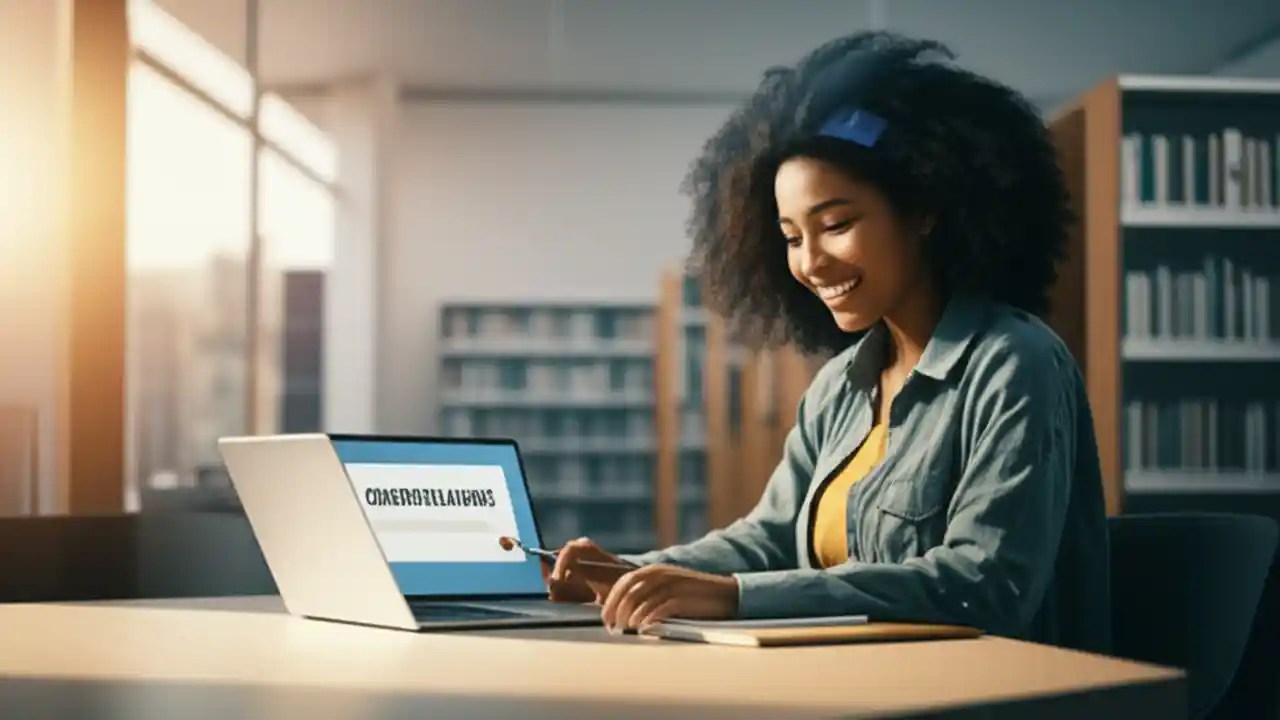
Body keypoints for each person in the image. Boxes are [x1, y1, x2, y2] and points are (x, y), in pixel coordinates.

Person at [547, 31, 1110, 654]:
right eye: (790, 237)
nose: (811, 263)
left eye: (836, 224)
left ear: (925, 208)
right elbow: (770, 539)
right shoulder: (840, 386)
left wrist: (734, 595)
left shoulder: (1015, 362)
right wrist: (633, 573)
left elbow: (984, 584)